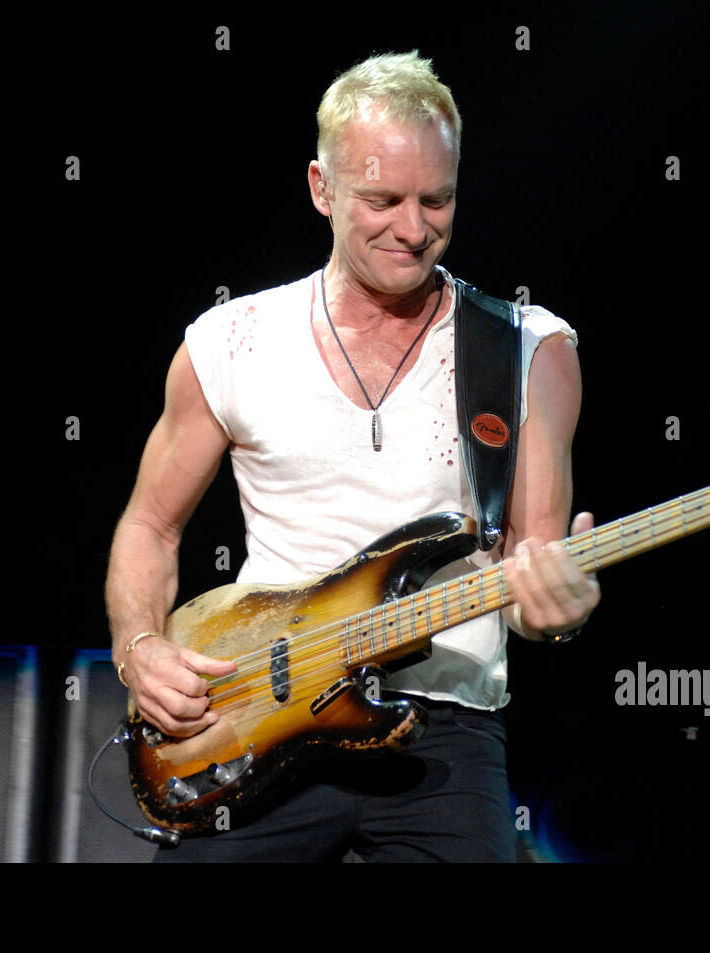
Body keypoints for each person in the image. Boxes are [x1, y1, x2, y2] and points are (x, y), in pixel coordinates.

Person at [104, 51, 600, 861]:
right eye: (383, 200)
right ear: (320, 189)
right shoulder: (229, 342)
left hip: (444, 730)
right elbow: (149, 528)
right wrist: (139, 648)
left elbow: (529, 571)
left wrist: (558, 609)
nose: (413, 228)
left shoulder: (527, 350)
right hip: (257, 717)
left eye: (436, 199)